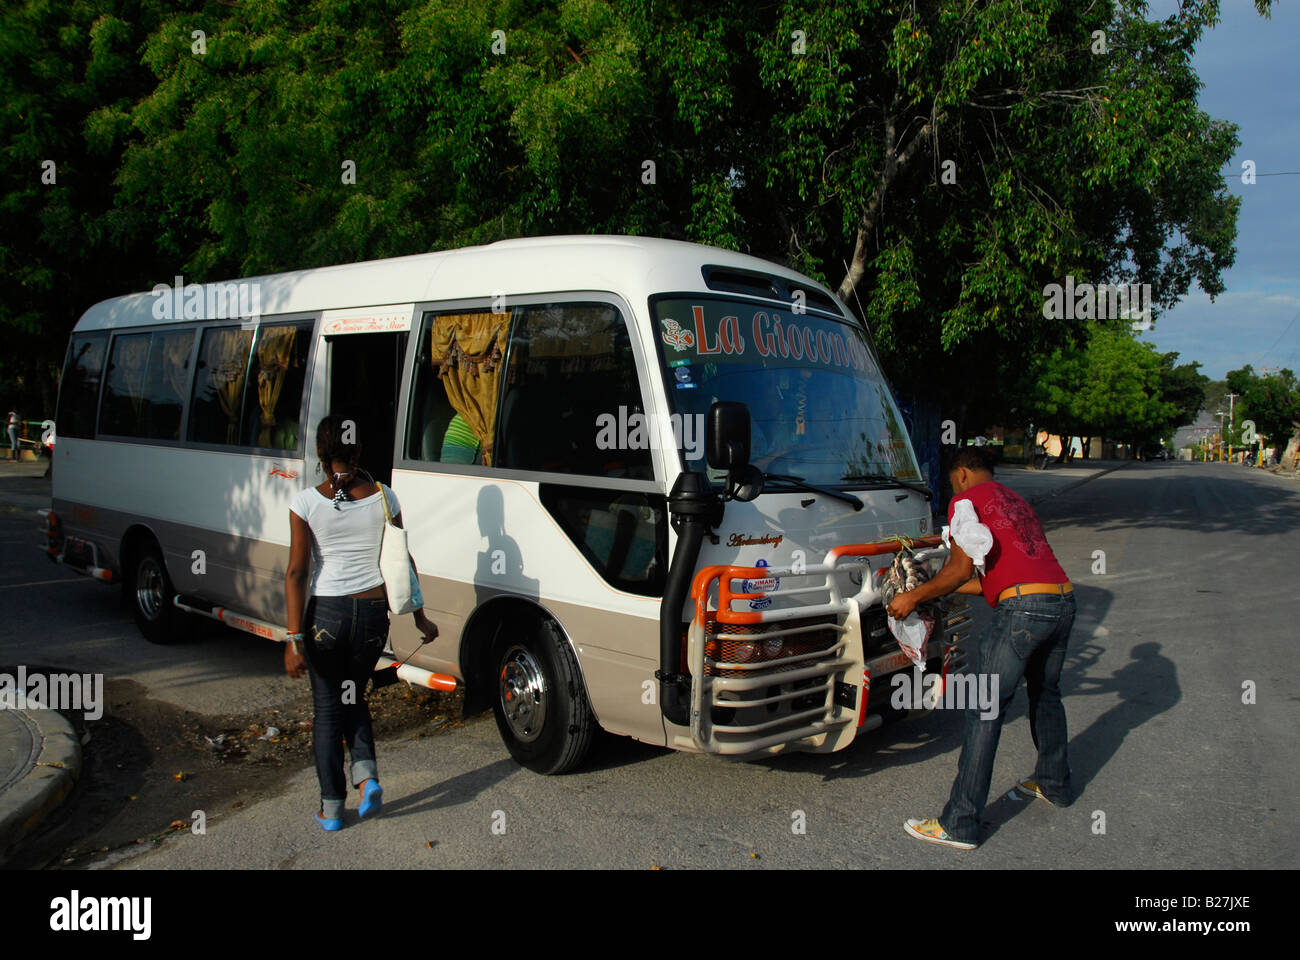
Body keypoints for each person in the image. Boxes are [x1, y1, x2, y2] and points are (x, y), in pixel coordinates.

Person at [888, 445, 1075, 849]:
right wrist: (933, 594)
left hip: (1025, 611)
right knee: (1046, 695)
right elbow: (993, 580)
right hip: (1061, 602)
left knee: (984, 707)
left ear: (961, 473)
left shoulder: (965, 500)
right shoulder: (1014, 501)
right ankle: (1054, 783)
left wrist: (913, 597)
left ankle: (960, 822)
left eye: (952, 480)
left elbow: (957, 570)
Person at [284, 415, 438, 831]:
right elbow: (402, 560)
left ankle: (332, 809)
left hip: (326, 617)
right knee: (354, 696)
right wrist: (421, 617)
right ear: (358, 452)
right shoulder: (386, 497)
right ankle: (367, 778)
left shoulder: (306, 503)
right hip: (372, 616)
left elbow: (297, 573)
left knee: (328, 710)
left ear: (321, 452)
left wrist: (293, 638)